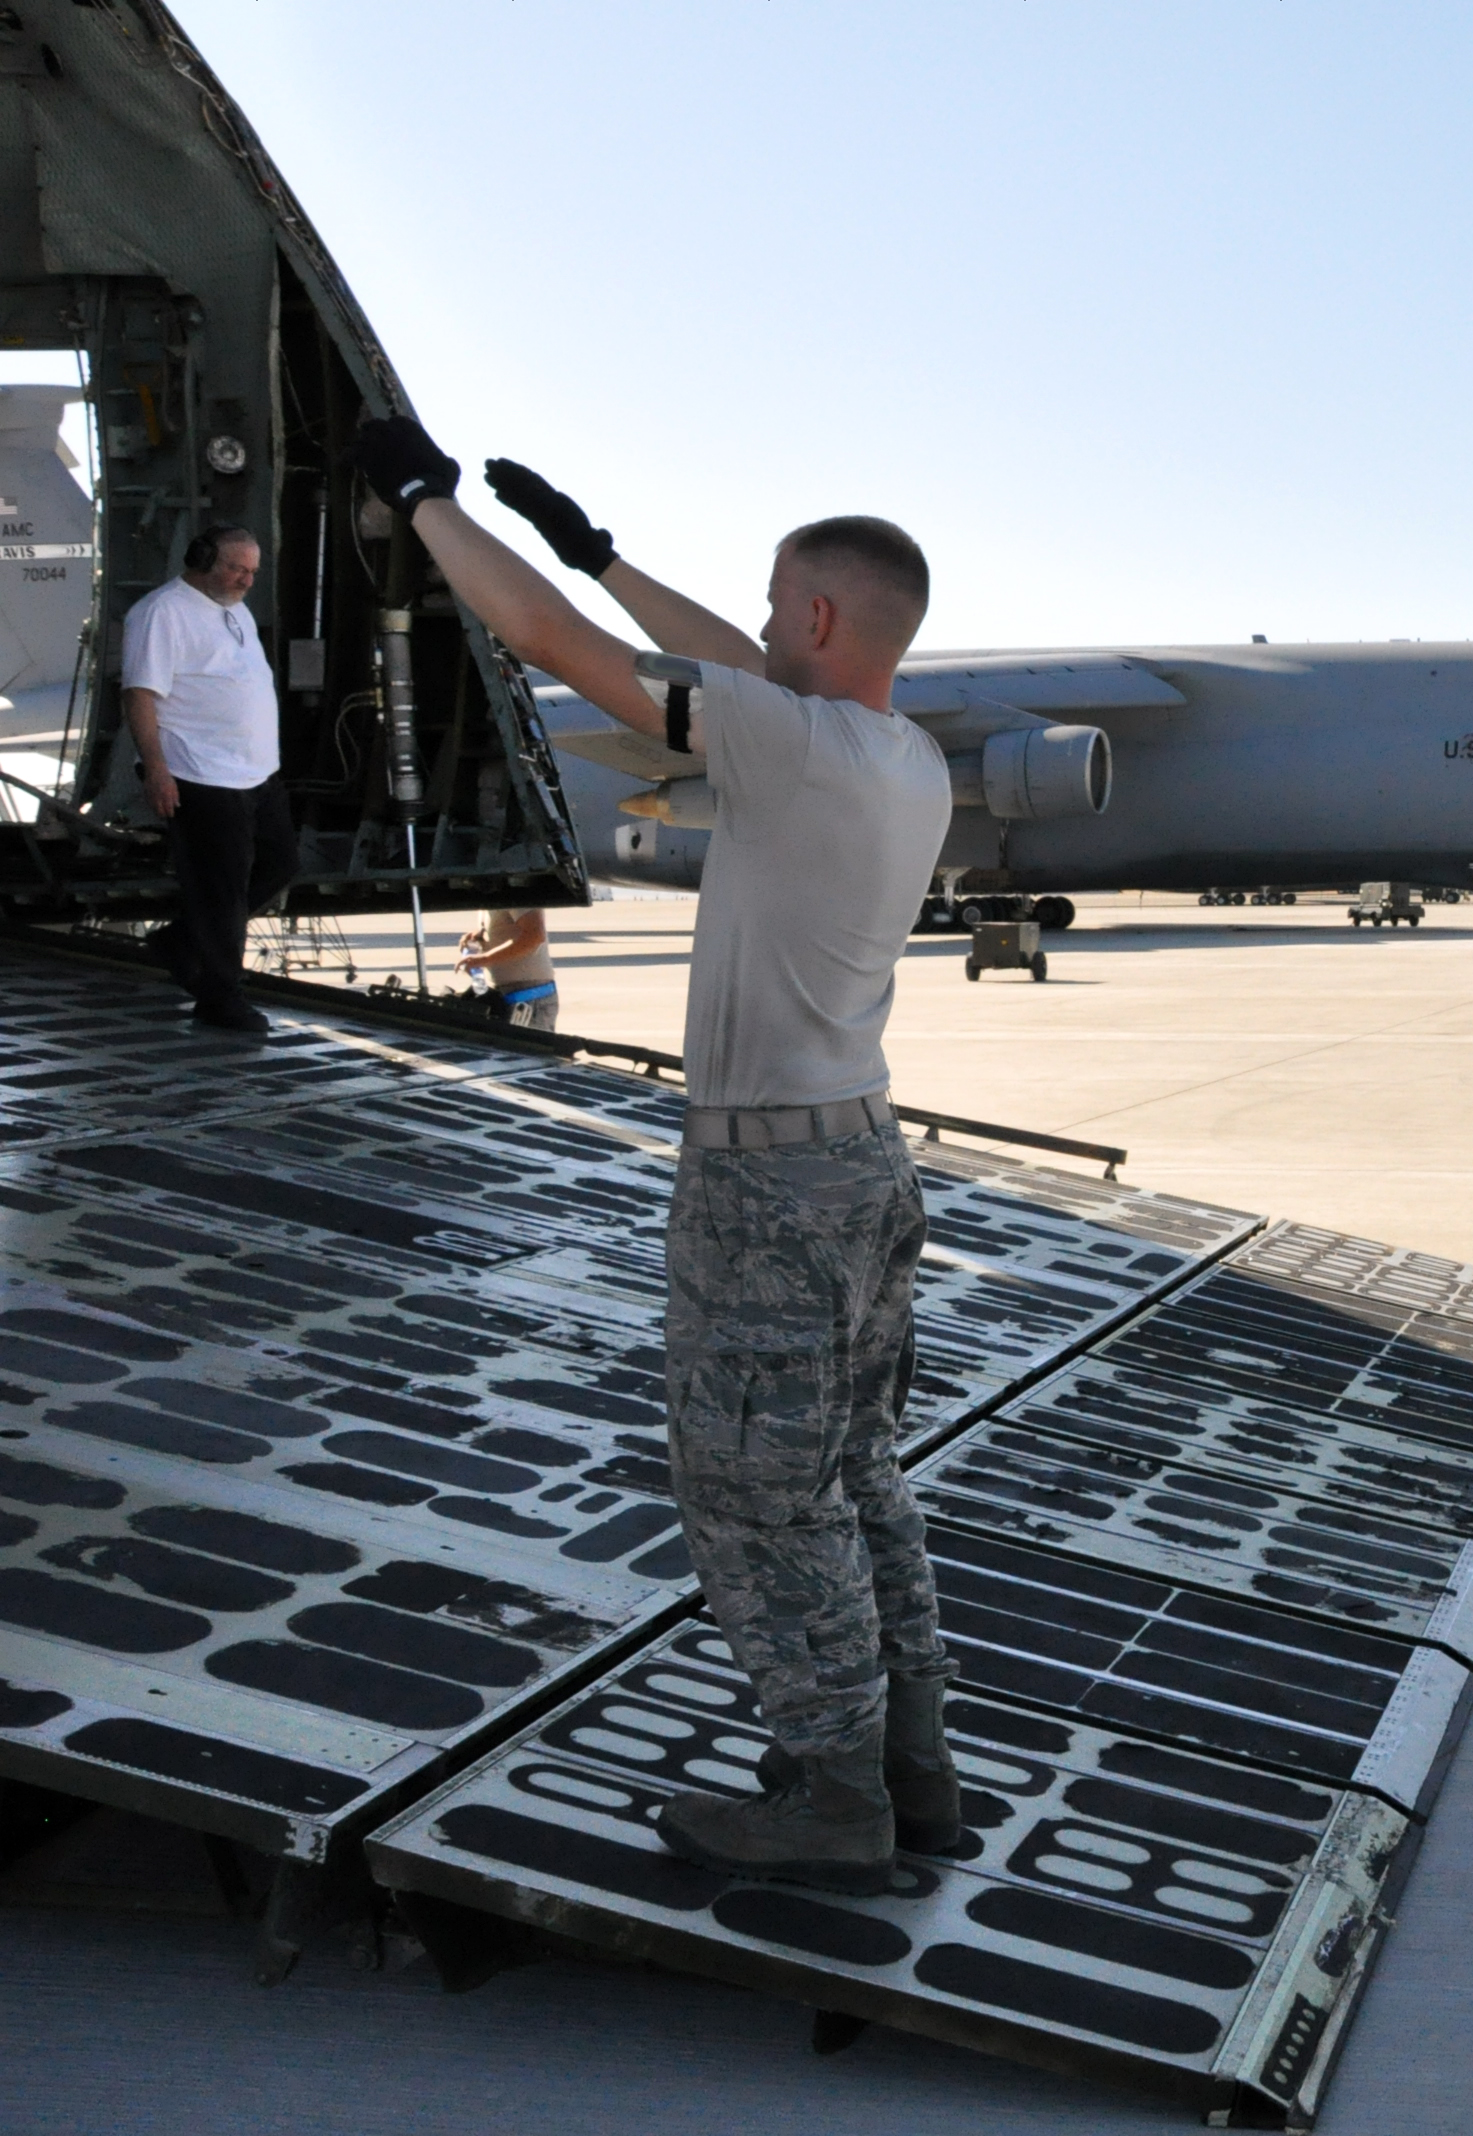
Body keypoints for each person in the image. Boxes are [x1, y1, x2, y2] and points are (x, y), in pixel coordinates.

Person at [355, 418, 960, 1897]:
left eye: (771, 598)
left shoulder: (788, 745)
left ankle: (830, 1794)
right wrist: (602, 546)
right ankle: (908, 1768)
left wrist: (425, 504)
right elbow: (721, 657)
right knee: (858, 1467)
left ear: (819, 617)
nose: (752, 622)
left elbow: (550, 642)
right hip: (865, 1159)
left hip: (769, 1185)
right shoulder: (899, 752)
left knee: (758, 1489)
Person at [121, 524, 291, 1034]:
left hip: (255, 772)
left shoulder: (234, 611)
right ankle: (220, 997)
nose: (245, 580)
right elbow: (140, 695)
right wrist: (157, 770)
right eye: (236, 568)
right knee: (223, 890)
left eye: (252, 572)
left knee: (280, 864)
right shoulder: (161, 613)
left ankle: (180, 940)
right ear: (201, 558)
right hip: (200, 772)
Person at [457, 906, 559, 1031]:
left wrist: (485, 959)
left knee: (526, 1048)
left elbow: (535, 935)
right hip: (504, 996)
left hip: (527, 998)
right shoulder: (488, 900)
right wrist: (480, 935)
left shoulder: (513, 893)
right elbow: (506, 927)